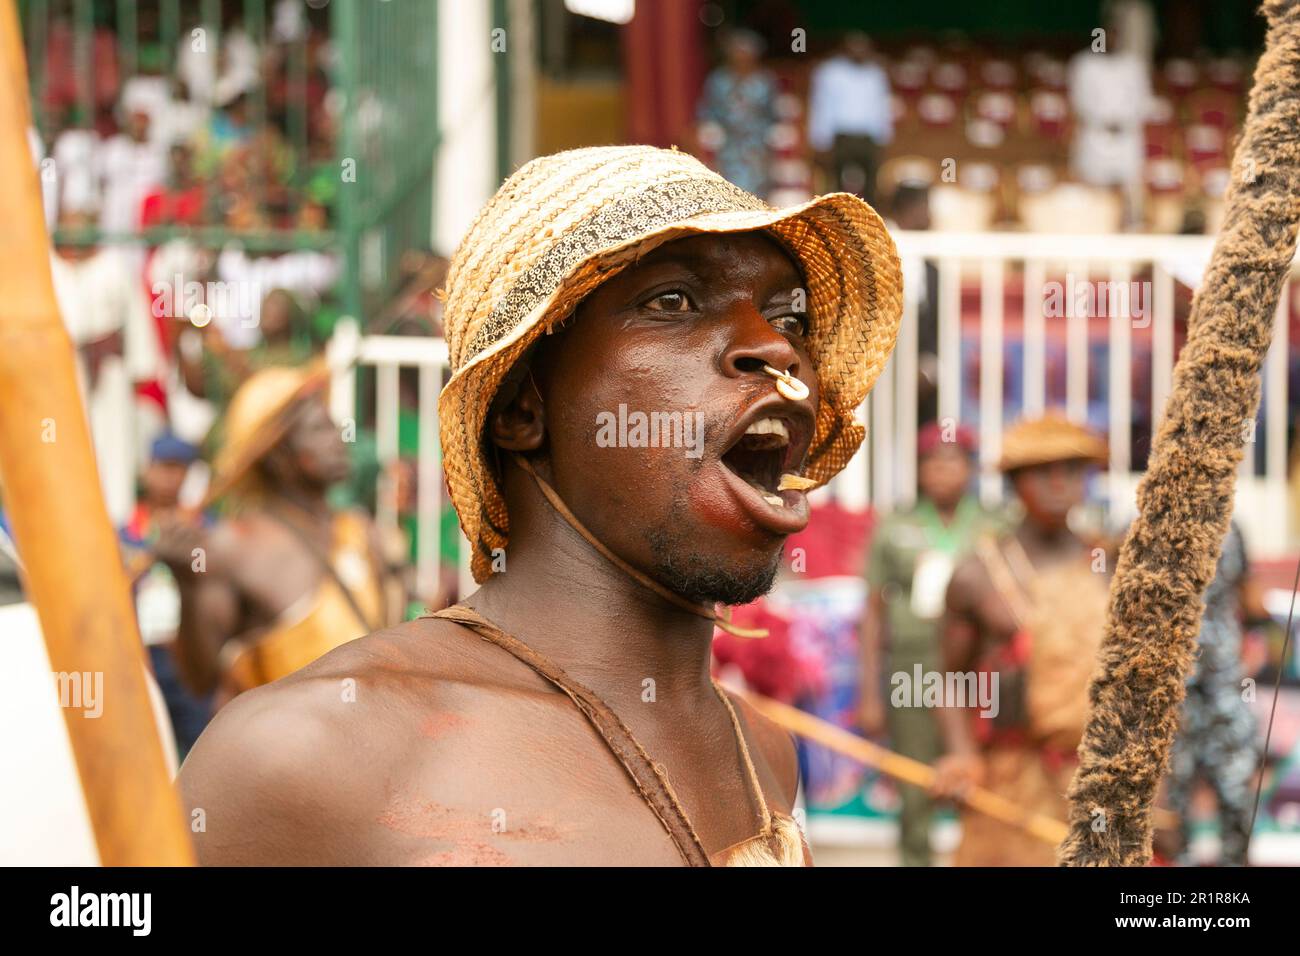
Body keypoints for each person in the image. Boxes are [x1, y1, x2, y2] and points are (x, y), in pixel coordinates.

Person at [177, 144, 903, 866]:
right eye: (673, 302)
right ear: (523, 406)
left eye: (791, 316)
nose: (774, 348)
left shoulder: (761, 752)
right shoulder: (306, 757)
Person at [155, 365, 400, 706]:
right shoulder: (233, 545)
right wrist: (186, 586)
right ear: (277, 456)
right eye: (317, 429)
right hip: (280, 755)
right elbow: (200, 680)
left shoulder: (360, 530)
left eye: (331, 424)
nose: (337, 437)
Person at [932, 413, 1111, 866]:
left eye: (1072, 470)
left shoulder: (1110, 567)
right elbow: (948, 678)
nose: (1059, 483)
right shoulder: (978, 574)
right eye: (1042, 472)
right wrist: (962, 755)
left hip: (1098, 782)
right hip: (1009, 781)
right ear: (1015, 482)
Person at [860, 423, 1004, 866]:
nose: (943, 470)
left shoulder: (994, 525)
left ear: (970, 468)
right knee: (915, 779)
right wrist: (869, 695)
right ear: (920, 472)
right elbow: (872, 613)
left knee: (982, 776)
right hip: (912, 669)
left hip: (975, 672)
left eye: (953, 460)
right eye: (932, 462)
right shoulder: (895, 526)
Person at [1164, 520, 1263, 865]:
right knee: (1170, 800)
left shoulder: (1232, 529)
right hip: (1171, 689)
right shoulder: (1148, 521)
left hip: (1225, 684)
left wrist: (1258, 645)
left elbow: (1252, 599)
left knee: (1237, 792)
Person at [121, 433, 213, 755]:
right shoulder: (126, 533)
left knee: (199, 749)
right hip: (143, 658)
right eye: (163, 467)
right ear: (147, 470)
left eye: (178, 468)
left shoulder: (204, 529)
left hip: (190, 655)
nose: (169, 477)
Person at [808, 32, 893, 204]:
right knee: (835, 186)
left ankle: (869, 224)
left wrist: (884, 136)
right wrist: (820, 139)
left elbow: (881, 107)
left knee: (870, 186)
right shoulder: (829, 72)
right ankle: (835, 225)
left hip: (867, 138)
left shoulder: (875, 74)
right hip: (841, 137)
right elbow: (822, 106)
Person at [696, 29, 779, 199]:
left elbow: (774, 113)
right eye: (737, 51)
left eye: (746, 51)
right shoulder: (718, 80)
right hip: (729, 144)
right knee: (728, 189)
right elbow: (706, 110)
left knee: (759, 191)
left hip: (757, 144)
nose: (741, 56)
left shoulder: (765, 80)